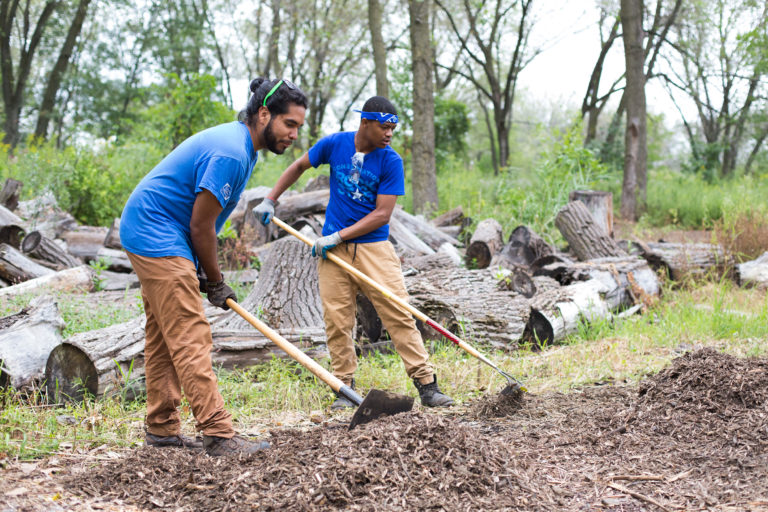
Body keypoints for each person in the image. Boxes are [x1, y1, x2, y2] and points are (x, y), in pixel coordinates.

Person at [120, 77, 308, 456]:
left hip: (157, 230)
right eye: (290, 124)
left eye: (299, 128)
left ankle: (161, 430)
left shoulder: (243, 147)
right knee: (190, 334)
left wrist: (203, 272)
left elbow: (199, 221)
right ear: (264, 114)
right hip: (157, 232)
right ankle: (219, 434)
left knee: (163, 335)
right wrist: (215, 279)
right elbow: (201, 225)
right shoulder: (231, 153)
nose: (294, 136)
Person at [252, 96, 454, 409]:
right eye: (384, 127)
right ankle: (344, 389)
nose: (389, 134)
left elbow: (381, 214)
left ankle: (428, 386)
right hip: (333, 254)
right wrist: (271, 199)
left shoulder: (390, 161)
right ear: (365, 123)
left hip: (374, 249)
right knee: (337, 320)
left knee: (398, 313)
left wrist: (337, 236)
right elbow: (298, 166)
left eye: (393, 128)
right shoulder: (335, 145)